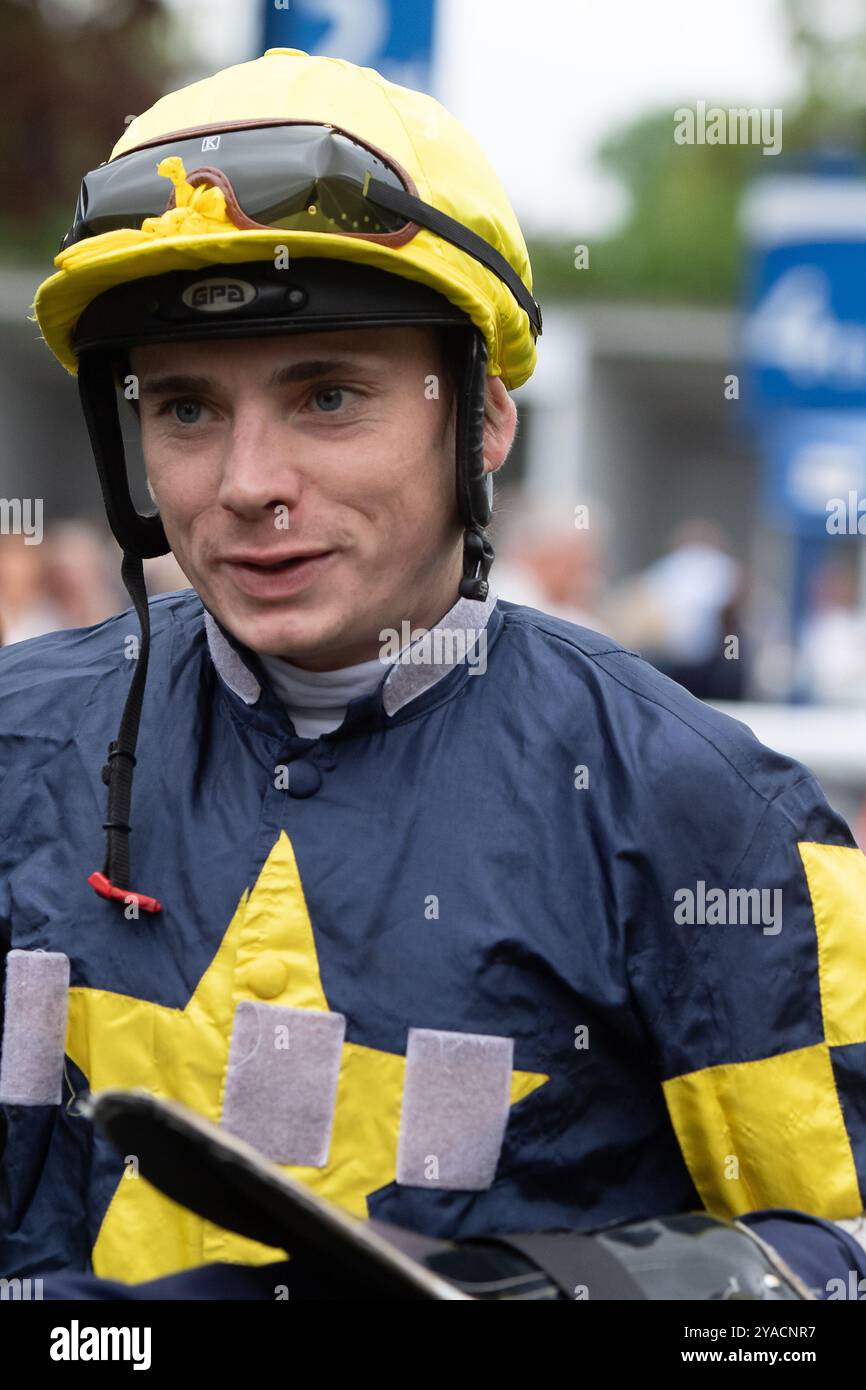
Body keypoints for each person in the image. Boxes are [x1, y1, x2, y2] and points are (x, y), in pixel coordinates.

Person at [2, 48, 866, 1301]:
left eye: (327, 395)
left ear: (485, 422)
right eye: (185, 410)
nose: (247, 483)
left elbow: (835, 1257)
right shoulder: (19, 742)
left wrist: (556, 1290)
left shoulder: (705, 813)